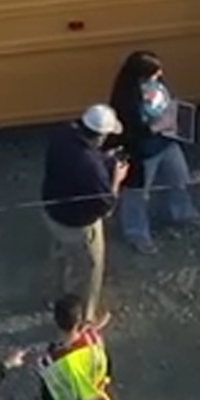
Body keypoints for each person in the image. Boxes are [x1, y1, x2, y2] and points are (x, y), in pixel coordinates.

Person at [41, 103, 130, 323]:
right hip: (78, 225)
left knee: (60, 255)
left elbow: (79, 160)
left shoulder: (62, 135)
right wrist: (116, 179)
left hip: (52, 211)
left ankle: (54, 298)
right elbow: (105, 206)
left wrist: (101, 158)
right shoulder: (91, 167)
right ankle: (84, 317)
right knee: (89, 269)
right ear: (99, 137)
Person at [109, 50, 200, 254]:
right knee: (137, 194)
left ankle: (181, 213)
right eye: (154, 72)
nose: (160, 74)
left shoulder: (156, 85)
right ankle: (137, 233)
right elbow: (132, 129)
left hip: (167, 141)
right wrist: (158, 126)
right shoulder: (125, 99)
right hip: (142, 151)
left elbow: (165, 103)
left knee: (178, 178)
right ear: (141, 75)